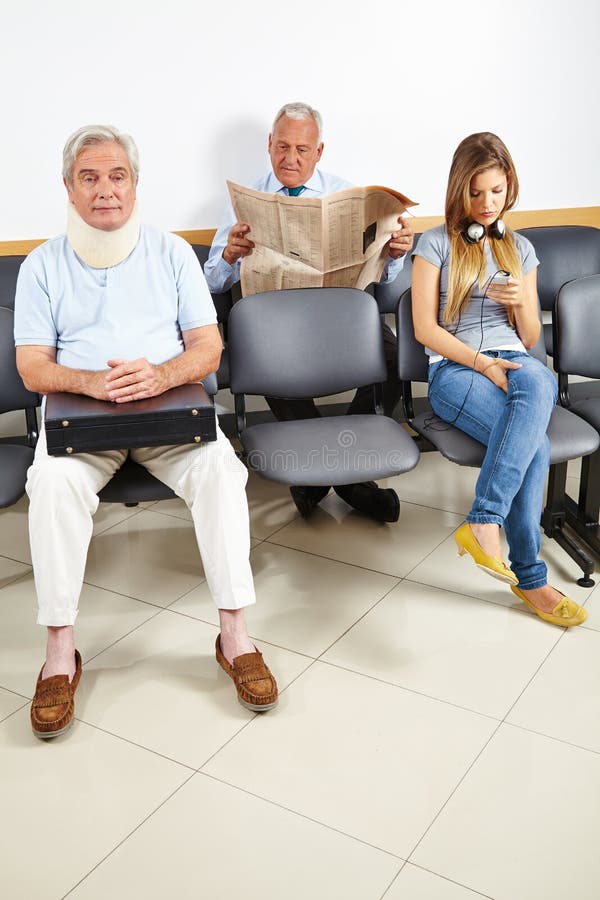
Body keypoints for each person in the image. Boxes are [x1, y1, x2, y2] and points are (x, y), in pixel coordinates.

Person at [14, 124, 278, 739]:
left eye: (117, 176)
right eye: (89, 177)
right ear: (68, 189)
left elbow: (208, 348)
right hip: (84, 420)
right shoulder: (42, 265)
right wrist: (89, 383)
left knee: (221, 469)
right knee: (50, 484)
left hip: (166, 415)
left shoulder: (171, 254)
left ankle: (236, 639)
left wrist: (158, 375)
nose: (105, 190)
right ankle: (59, 654)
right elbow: (32, 366)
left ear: (134, 185)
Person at [204, 101, 414, 523]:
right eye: (282, 147)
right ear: (269, 145)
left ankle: (327, 477)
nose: (291, 159)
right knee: (261, 356)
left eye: (302, 150)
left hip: (338, 320)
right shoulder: (244, 201)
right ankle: (351, 484)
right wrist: (229, 254)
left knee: (397, 358)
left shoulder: (347, 194)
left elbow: (386, 277)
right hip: (277, 330)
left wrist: (393, 254)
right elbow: (212, 281)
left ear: (319, 152)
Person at [411, 131, 586, 627]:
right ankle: (531, 579)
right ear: (459, 191)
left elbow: (531, 337)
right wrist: (482, 362)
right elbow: (425, 329)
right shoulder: (434, 245)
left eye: (496, 191)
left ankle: (484, 521)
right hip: (456, 368)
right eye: (475, 192)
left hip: (516, 360)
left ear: (509, 187)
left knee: (541, 380)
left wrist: (521, 304)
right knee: (529, 446)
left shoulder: (522, 249)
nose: (486, 204)